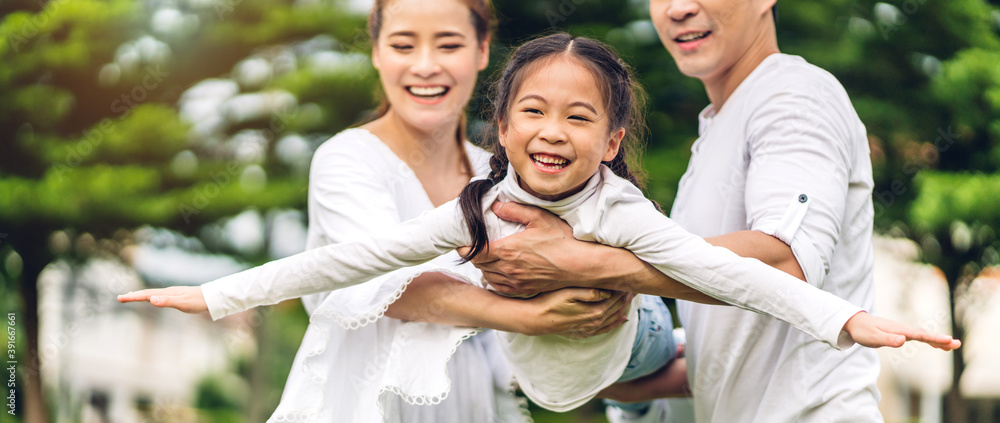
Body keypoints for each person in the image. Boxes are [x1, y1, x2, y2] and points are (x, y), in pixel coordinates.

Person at [118, 33, 959, 417]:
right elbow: (355, 259)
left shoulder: (623, 208)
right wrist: (214, 293)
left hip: (629, 338)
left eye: (578, 117)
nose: (553, 131)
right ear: (505, 127)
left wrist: (847, 319)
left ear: (613, 139)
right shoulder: (477, 208)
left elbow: (726, 271)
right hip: (551, 378)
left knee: (647, 322)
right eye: (533, 111)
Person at [463, 1, 952, 422]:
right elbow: (741, 333)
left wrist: (574, 262)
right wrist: (605, 360)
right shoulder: (719, 128)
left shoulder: (794, 97)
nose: (678, 9)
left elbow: (787, 263)